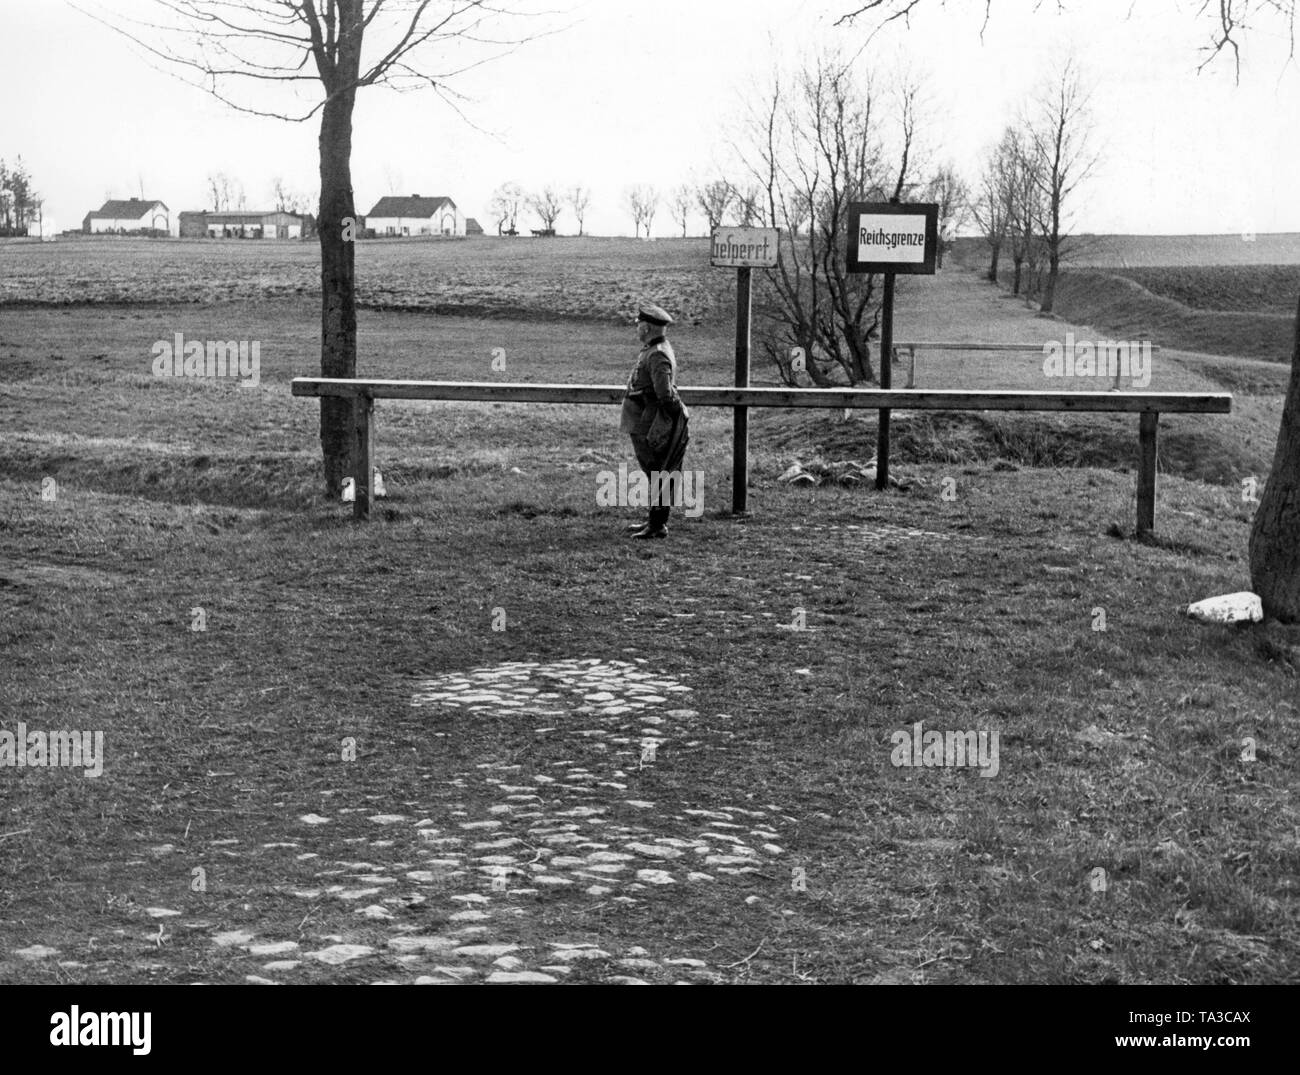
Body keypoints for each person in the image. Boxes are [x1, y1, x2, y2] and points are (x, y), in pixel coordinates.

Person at [620, 303, 690, 539]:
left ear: (647, 327)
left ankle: (658, 524)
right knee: (654, 472)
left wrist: (667, 420)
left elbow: (665, 395)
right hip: (644, 418)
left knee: (659, 472)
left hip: (649, 421)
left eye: (640, 325)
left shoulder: (658, 353)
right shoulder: (654, 349)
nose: (637, 329)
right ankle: (653, 520)